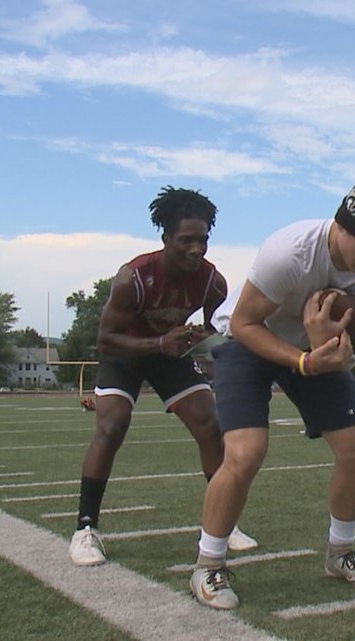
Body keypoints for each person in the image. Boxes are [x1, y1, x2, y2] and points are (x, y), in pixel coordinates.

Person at [189, 158, 355, 610]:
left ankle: (340, 552)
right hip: (251, 343)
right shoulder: (289, 252)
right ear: (343, 224)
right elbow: (247, 323)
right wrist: (306, 360)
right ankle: (207, 563)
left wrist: (340, 354)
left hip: (317, 353)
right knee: (246, 452)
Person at [67, 187, 256, 567]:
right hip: (126, 354)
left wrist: (205, 339)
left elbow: (216, 328)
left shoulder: (211, 282)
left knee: (209, 423)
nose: (196, 249)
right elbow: (105, 339)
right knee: (111, 426)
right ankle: (85, 529)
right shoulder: (133, 277)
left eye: (203, 240)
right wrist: (157, 342)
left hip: (169, 352)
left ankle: (224, 523)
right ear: (166, 238)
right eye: (186, 240)